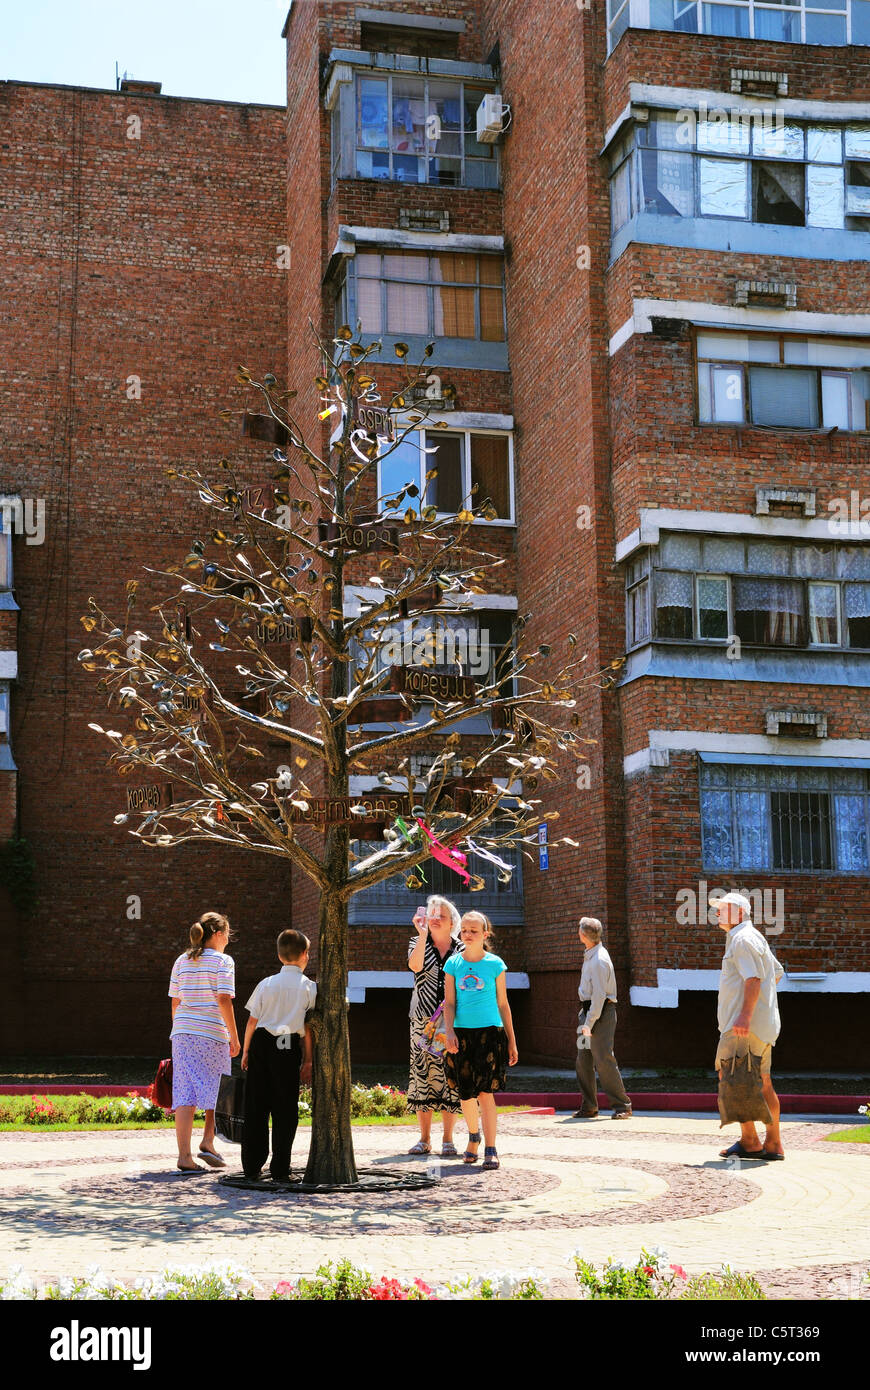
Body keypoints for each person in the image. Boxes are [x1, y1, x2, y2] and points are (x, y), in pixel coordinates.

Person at [712, 891, 785, 1161]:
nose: (717, 913)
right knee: (762, 1083)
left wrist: (744, 1015)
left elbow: (753, 979)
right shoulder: (753, 937)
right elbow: (776, 974)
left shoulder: (742, 939)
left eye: (723, 908)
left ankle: (751, 1141)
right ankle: (773, 1144)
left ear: (740, 913)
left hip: (742, 1028)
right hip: (761, 1027)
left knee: (732, 1081)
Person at [443, 911, 518, 1171]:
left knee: (486, 1093)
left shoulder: (495, 964)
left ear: (485, 934)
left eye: (474, 930)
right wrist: (449, 1032)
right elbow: (449, 1003)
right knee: (465, 1093)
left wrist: (511, 1040)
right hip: (461, 1035)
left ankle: (491, 1147)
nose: (468, 935)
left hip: (490, 1033)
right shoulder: (452, 964)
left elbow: (503, 1004)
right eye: (464, 930)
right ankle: (473, 1136)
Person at [240, 928, 315, 1182]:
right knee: (285, 1108)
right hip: (287, 1042)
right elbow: (306, 1027)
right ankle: (280, 1168)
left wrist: (247, 1050)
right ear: (305, 954)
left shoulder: (266, 983)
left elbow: (252, 1021)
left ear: (280, 956)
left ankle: (251, 1166)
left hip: (262, 1041)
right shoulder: (309, 987)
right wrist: (308, 1059)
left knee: (256, 1106)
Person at [168, 911, 240, 1172]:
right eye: (228, 935)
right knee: (217, 1088)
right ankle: (208, 1140)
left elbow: (175, 1001)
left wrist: (180, 1028)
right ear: (219, 935)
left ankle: (184, 1156)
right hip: (211, 1033)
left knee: (185, 1092)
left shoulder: (181, 961)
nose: (228, 941)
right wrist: (234, 1035)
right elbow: (223, 999)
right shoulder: (224, 961)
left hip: (183, 1033)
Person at [407, 895, 465, 1157]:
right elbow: (415, 966)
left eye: (441, 915)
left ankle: (448, 1139)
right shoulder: (417, 943)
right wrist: (421, 935)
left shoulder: (462, 949)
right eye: (432, 915)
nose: (435, 919)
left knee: (450, 1077)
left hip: (452, 1023)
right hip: (422, 1021)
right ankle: (424, 1138)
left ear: (452, 921)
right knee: (423, 1076)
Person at [574, 917, 632, 1120]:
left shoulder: (599, 960)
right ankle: (589, 1106)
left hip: (600, 1014)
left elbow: (599, 996)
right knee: (583, 1059)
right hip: (588, 1013)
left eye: (579, 930)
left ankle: (622, 1106)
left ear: (583, 935)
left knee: (603, 1059)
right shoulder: (591, 954)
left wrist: (588, 1023)